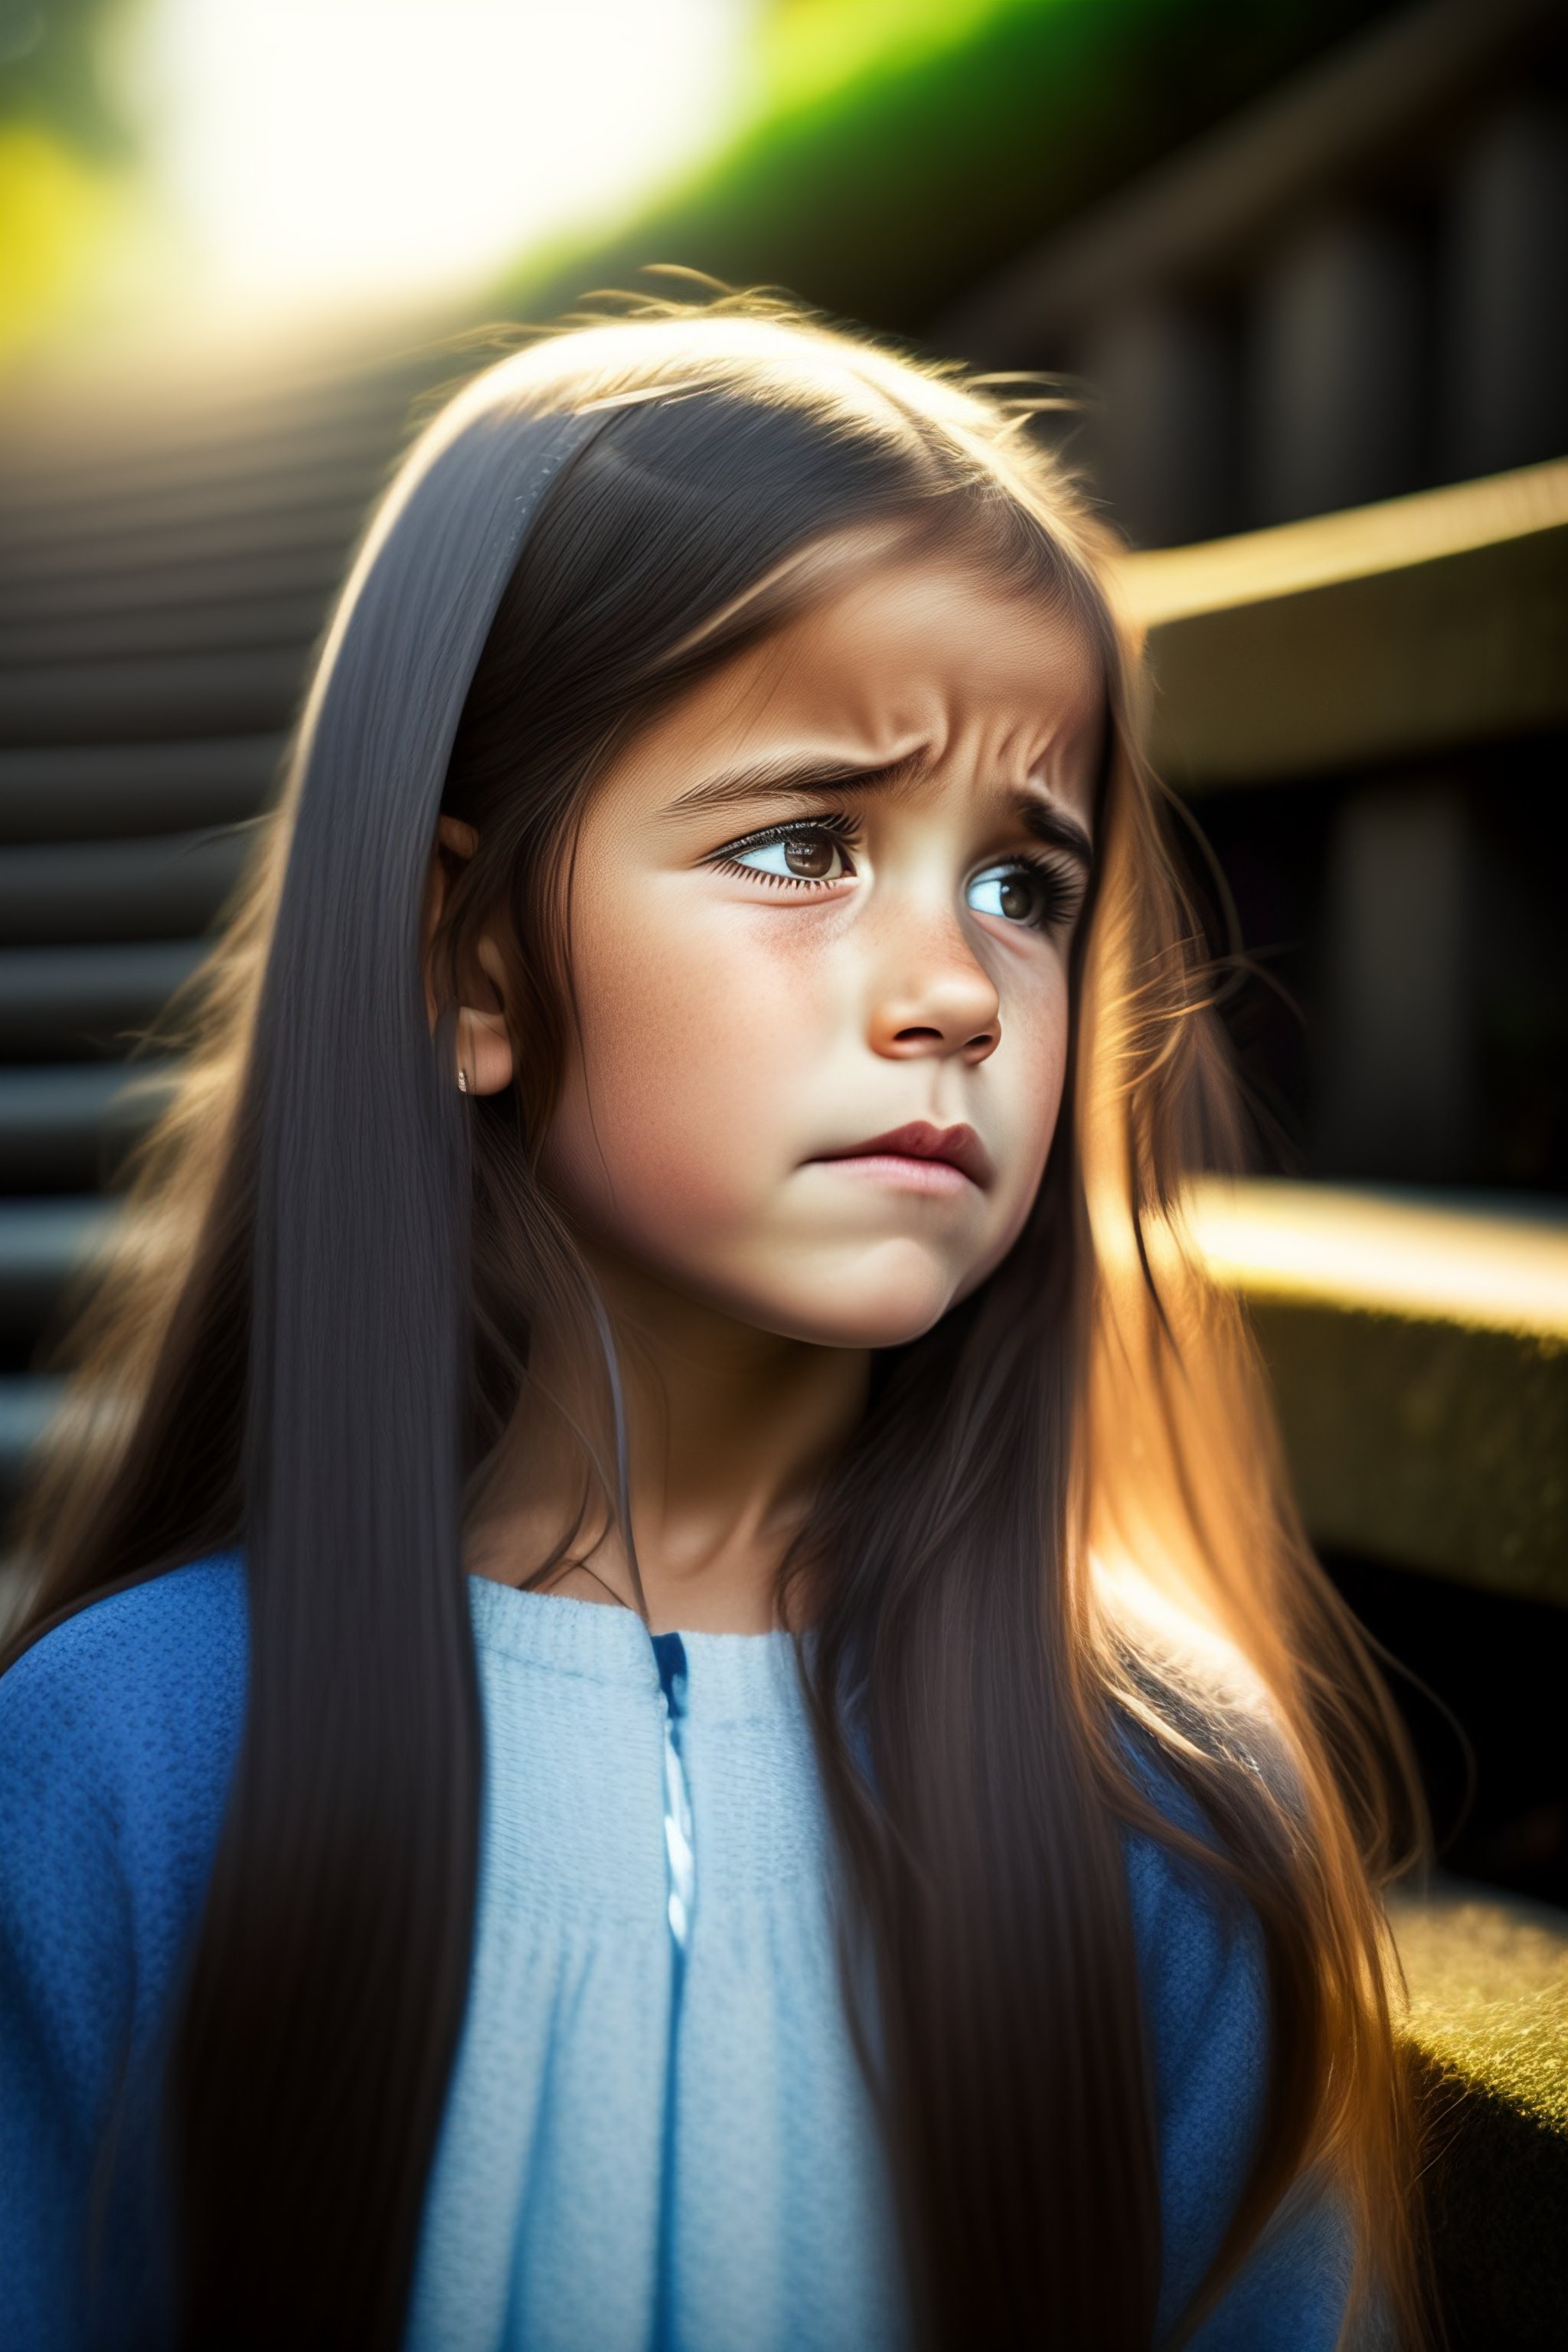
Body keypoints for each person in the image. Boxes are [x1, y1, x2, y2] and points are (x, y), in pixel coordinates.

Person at [0, 299, 1426, 2351]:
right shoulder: (118, 1775)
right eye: (806, 845)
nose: (957, 990)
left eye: (1024, 886)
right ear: (465, 962)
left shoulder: (1165, 1806)